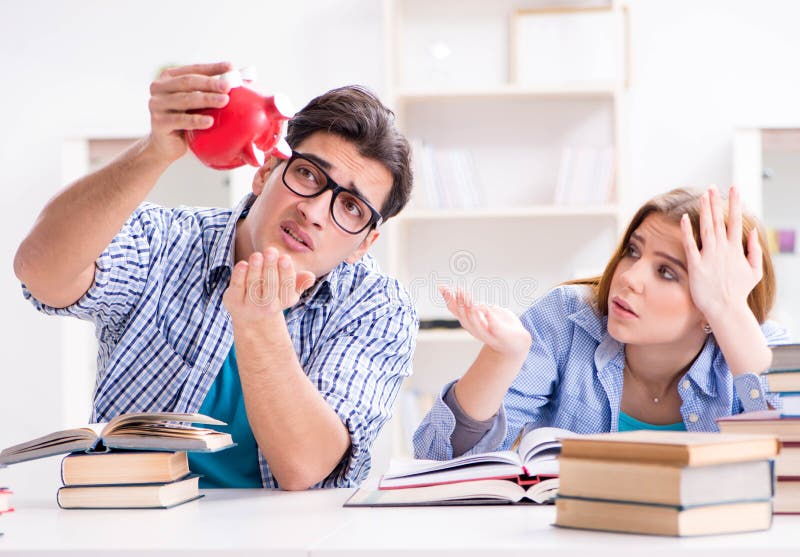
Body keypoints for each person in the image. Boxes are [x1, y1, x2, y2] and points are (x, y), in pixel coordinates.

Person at [14, 61, 417, 490]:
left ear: (364, 244)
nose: (314, 212)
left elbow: (306, 467)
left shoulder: (379, 308)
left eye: (351, 207)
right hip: (132, 530)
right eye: (307, 174)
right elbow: (40, 271)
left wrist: (260, 322)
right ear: (265, 172)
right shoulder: (164, 239)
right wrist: (156, 150)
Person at [414, 186, 789, 460]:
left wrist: (727, 311)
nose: (629, 277)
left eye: (667, 272)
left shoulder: (758, 348)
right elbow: (436, 457)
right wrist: (501, 356)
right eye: (632, 251)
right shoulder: (567, 319)